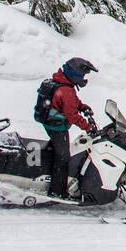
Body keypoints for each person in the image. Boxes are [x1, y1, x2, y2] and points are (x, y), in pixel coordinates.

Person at [36, 57, 99, 199]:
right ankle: (57, 191)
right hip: (57, 126)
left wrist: (82, 106)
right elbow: (72, 116)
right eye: (82, 75)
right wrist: (88, 127)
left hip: (50, 123)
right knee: (63, 158)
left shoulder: (63, 82)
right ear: (75, 74)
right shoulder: (66, 90)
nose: (83, 78)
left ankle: (48, 173)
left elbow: (71, 102)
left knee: (56, 151)